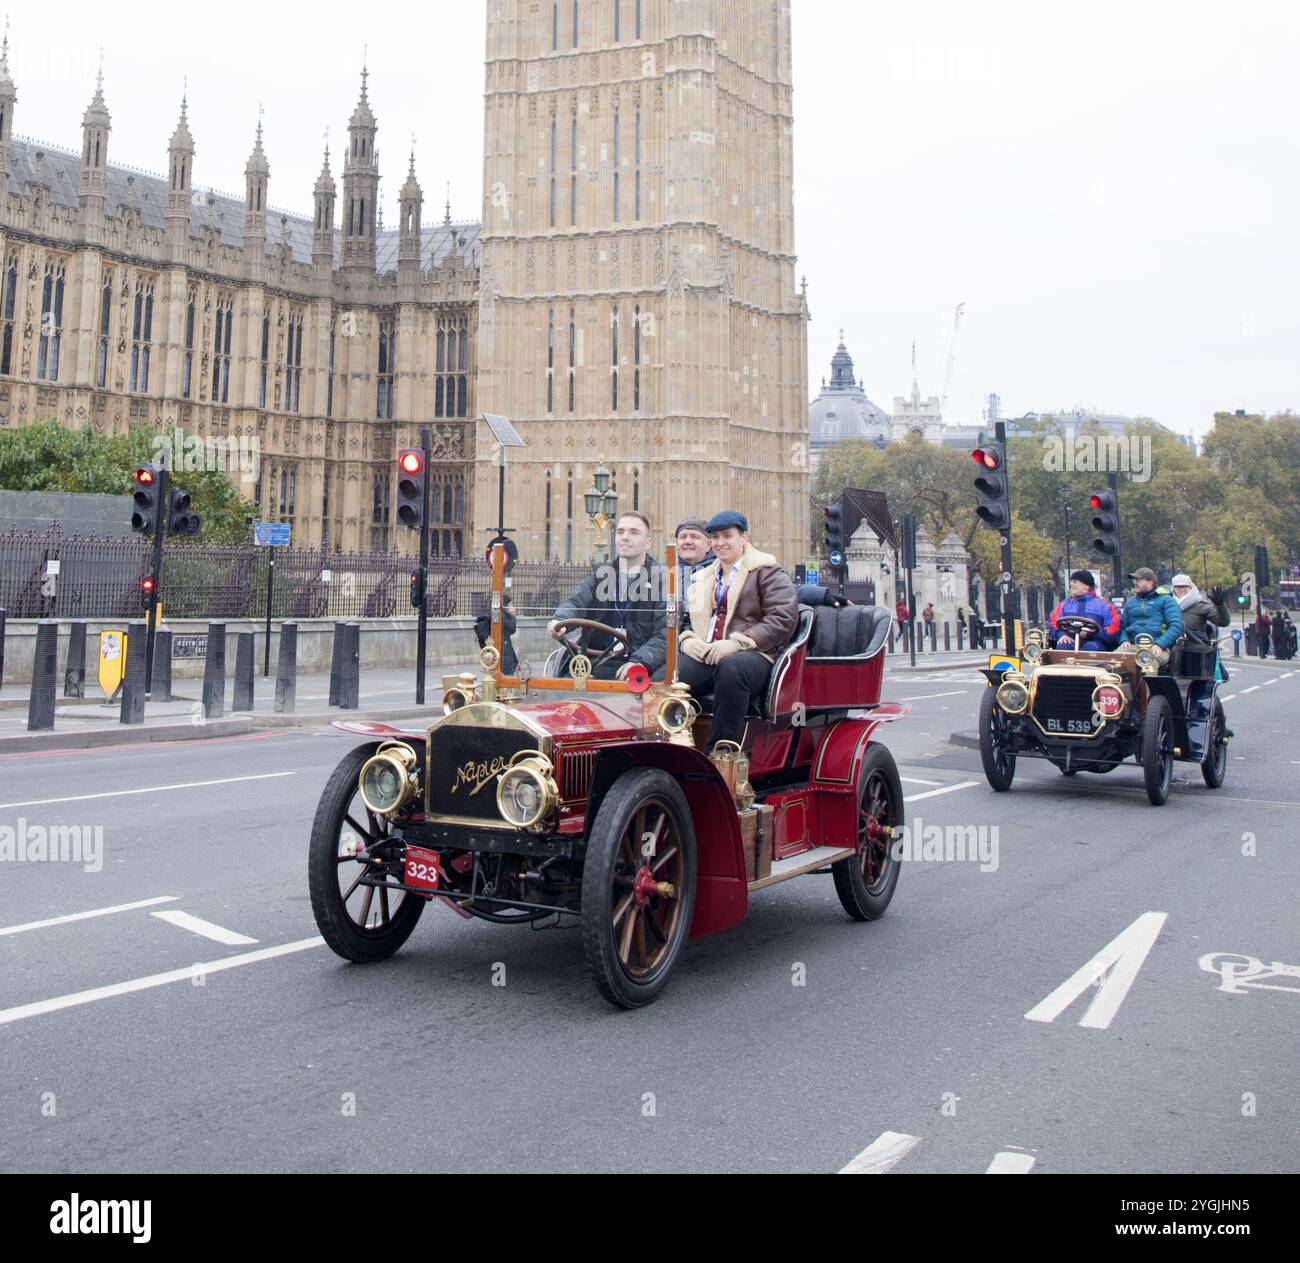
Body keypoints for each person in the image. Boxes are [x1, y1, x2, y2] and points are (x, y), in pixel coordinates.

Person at [678, 511, 799, 753]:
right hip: (709, 652)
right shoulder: (705, 576)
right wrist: (687, 640)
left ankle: (722, 753)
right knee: (670, 674)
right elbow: (687, 620)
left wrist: (738, 643)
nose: (720, 542)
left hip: (756, 655)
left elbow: (783, 618)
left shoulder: (766, 571)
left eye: (727, 536)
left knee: (732, 669)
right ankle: (669, 748)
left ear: (744, 537)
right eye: (715, 537)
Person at [549, 512, 667, 681]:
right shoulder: (601, 576)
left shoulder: (661, 582)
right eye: (620, 532)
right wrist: (560, 621)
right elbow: (576, 602)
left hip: (640, 667)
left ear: (647, 543)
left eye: (634, 532)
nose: (625, 537)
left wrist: (640, 661)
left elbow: (665, 635)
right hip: (597, 662)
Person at [1117, 567, 1184, 664]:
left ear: (1150, 583)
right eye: (1134, 580)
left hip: (1157, 647)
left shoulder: (1167, 600)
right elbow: (1123, 626)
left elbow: (1176, 626)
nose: (1135, 582)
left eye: (1139, 580)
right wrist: (1124, 640)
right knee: (1113, 661)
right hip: (1133, 646)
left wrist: (1160, 644)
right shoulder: (1130, 602)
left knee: (1147, 663)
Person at [1048, 570, 1120, 651]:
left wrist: (1091, 633)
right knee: (1063, 645)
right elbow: (1053, 622)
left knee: (1091, 647)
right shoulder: (1064, 605)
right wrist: (1061, 635)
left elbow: (1113, 631)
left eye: (1075, 582)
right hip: (1070, 640)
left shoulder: (1106, 607)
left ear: (1086, 585)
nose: (1071, 584)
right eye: (1071, 582)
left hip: (1095, 642)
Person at [1171, 574, 1229, 643]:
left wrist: (1220, 605)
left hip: (1197, 646)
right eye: (1177, 587)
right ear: (1173, 589)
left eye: (1184, 587)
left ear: (1190, 588)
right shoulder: (1167, 604)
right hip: (1171, 644)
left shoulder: (1201, 606)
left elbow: (1223, 622)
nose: (1181, 589)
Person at [474, 597, 518, 675]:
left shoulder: (495, 614)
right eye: (511, 605)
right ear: (505, 606)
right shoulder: (501, 616)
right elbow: (512, 628)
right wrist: (512, 615)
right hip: (503, 656)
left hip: (494, 654)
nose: (513, 607)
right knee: (506, 677)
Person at [674, 516, 715, 599]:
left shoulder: (718, 572)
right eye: (683, 537)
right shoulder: (663, 572)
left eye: (695, 537)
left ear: (709, 545)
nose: (687, 542)